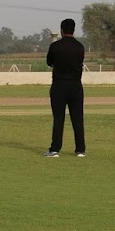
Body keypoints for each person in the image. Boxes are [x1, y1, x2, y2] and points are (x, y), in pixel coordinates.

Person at [45, 17, 85, 157]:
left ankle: (55, 149)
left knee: (58, 118)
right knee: (77, 118)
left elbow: (49, 62)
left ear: (62, 31)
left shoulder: (55, 46)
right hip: (75, 85)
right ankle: (80, 149)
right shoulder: (80, 47)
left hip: (59, 85)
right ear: (73, 30)